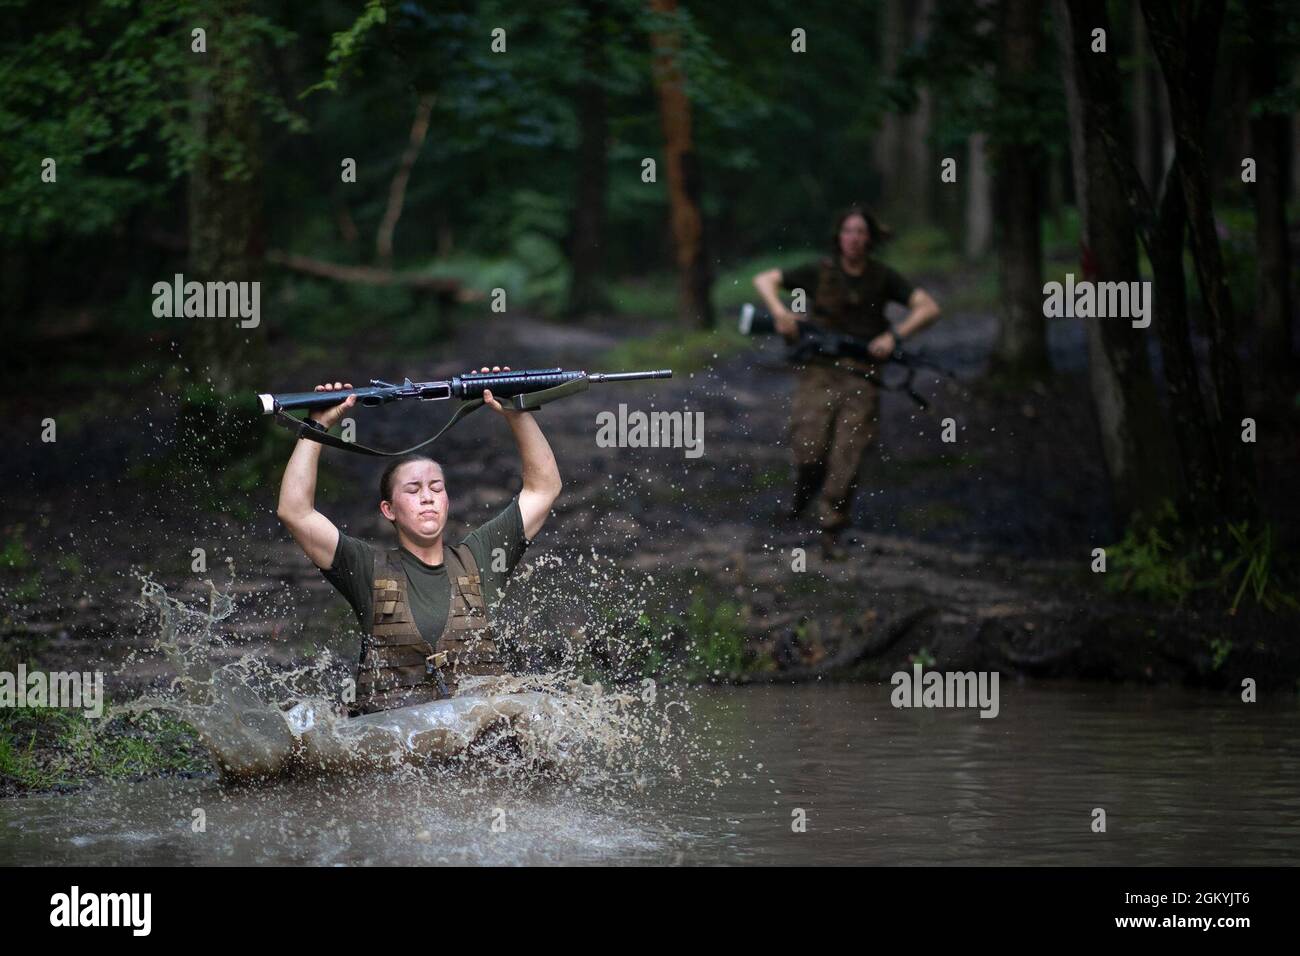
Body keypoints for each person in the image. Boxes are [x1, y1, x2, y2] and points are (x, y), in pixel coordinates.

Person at [275, 366, 562, 715]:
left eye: (436, 488)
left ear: (446, 501)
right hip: (396, 748)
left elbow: (543, 488)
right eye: (413, 490)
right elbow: (295, 511)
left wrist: (516, 411)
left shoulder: (482, 555)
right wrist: (315, 428)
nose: (427, 497)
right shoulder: (365, 566)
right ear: (389, 509)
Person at [751, 206, 940, 559]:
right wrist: (781, 314)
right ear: (838, 236)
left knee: (848, 453)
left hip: (863, 372)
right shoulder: (819, 271)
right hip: (819, 370)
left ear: (870, 238)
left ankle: (831, 528)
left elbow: (928, 307)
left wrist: (894, 337)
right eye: (848, 231)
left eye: (860, 232)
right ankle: (805, 492)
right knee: (809, 447)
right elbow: (764, 280)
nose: (854, 239)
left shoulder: (882, 277)